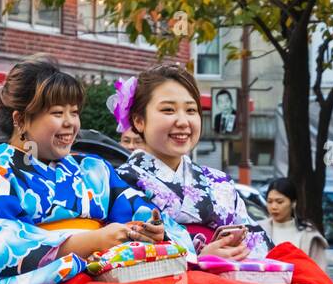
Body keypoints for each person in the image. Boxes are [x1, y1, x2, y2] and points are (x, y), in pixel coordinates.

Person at [0, 54, 189, 284]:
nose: (71, 123)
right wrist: (88, 242)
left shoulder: (92, 169)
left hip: (102, 277)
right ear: (20, 120)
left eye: (74, 112)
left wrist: (151, 230)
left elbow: (137, 209)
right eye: (58, 113)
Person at [109, 63, 273, 261]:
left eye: (191, 110)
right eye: (168, 110)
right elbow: (122, 254)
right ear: (139, 121)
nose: (183, 121)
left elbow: (259, 244)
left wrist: (236, 251)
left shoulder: (219, 182)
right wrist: (198, 259)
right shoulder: (118, 182)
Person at [261, 177, 328, 270]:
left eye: (279, 202)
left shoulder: (308, 235)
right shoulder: (258, 230)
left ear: (293, 203)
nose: (274, 206)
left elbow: (319, 272)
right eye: (269, 201)